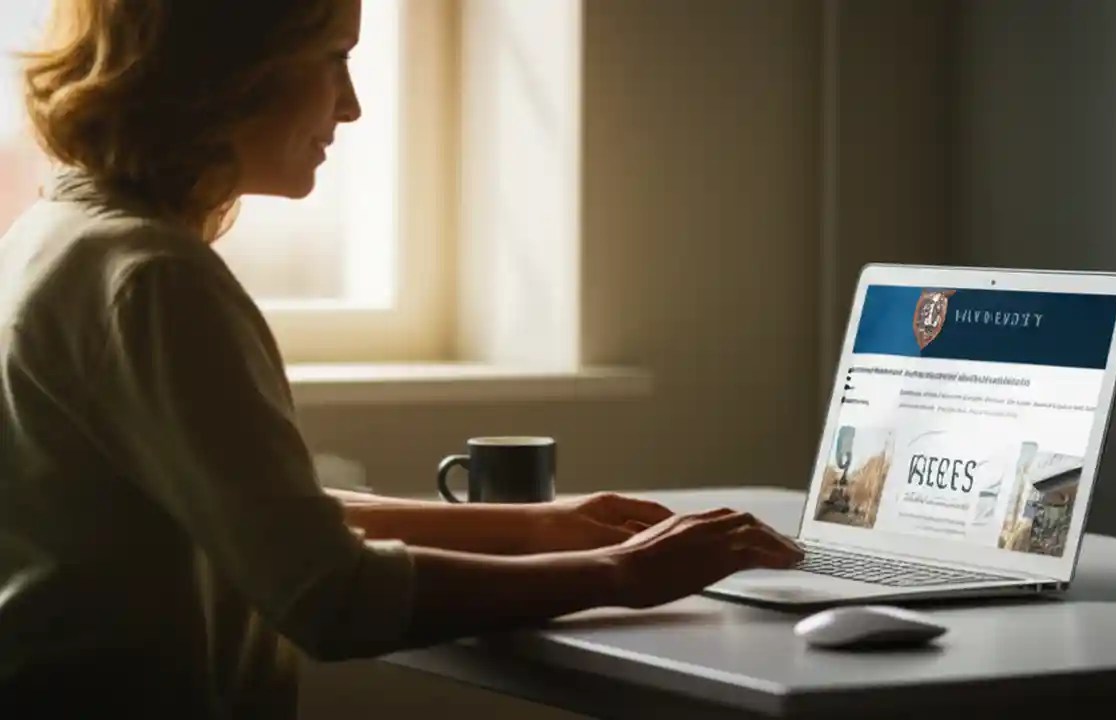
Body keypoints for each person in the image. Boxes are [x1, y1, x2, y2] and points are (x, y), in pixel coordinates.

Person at [0, 0, 803, 715]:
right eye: (335, 57)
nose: (351, 106)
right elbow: (328, 595)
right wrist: (620, 576)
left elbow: (261, 517)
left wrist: (537, 527)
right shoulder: (154, 278)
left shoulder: (55, 238)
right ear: (229, 62)